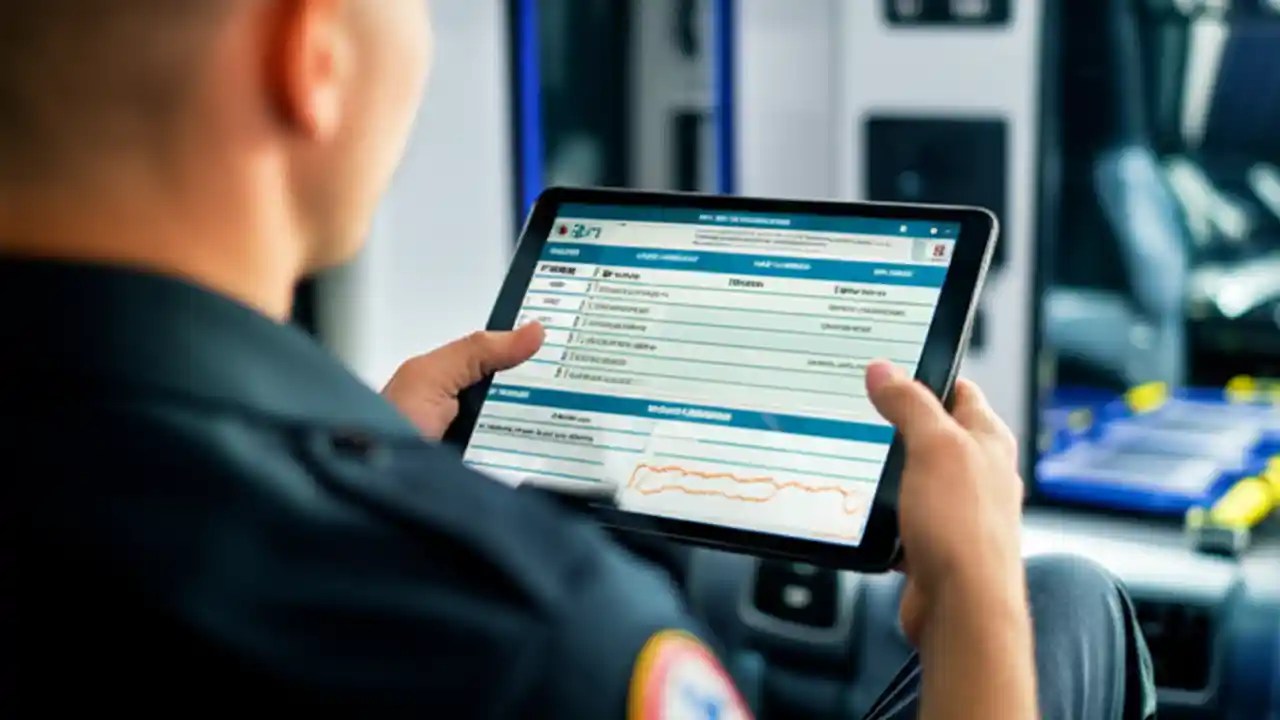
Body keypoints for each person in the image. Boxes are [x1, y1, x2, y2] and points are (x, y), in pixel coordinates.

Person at [0, 1, 1153, 718]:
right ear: (312, 56)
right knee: (1061, 601)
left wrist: (360, 464)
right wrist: (975, 602)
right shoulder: (535, 634)